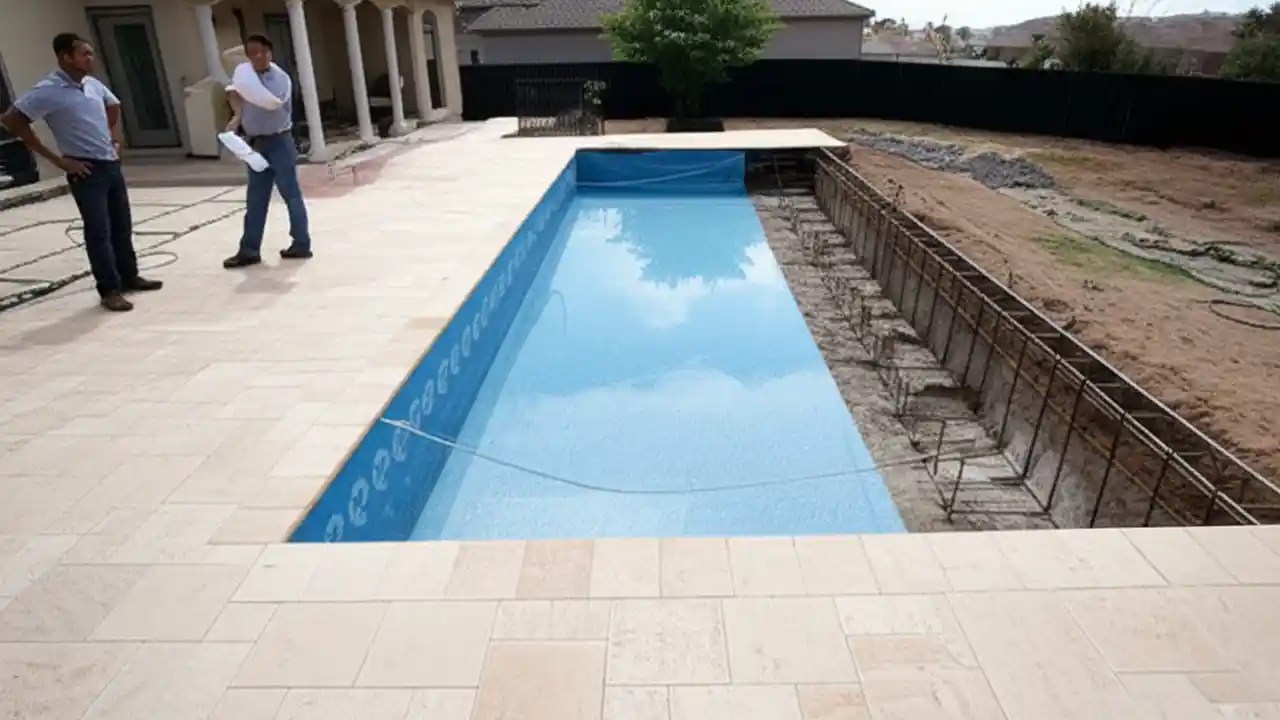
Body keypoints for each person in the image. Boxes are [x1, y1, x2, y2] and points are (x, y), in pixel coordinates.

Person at [0, 33, 163, 312]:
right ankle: (109, 289)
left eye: (91, 53)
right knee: (98, 231)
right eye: (84, 54)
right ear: (65, 57)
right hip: (84, 169)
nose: (91, 58)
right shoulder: (47, 90)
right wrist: (58, 161)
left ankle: (129, 276)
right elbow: (12, 120)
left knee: (121, 226)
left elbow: (115, 106)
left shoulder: (93, 85)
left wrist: (116, 139)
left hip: (110, 164)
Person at [222, 34, 313, 269]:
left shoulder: (279, 78)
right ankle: (249, 250)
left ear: (270, 53)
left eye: (262, 51)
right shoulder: (245, 77)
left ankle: (301, 243)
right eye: (252, 53)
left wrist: (243, 87)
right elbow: (233, 94)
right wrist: (237, 115)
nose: (258, 57)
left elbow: (271, 103)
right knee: (255, 199)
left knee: (290, 194)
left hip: (279, 142)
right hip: (256, 144)